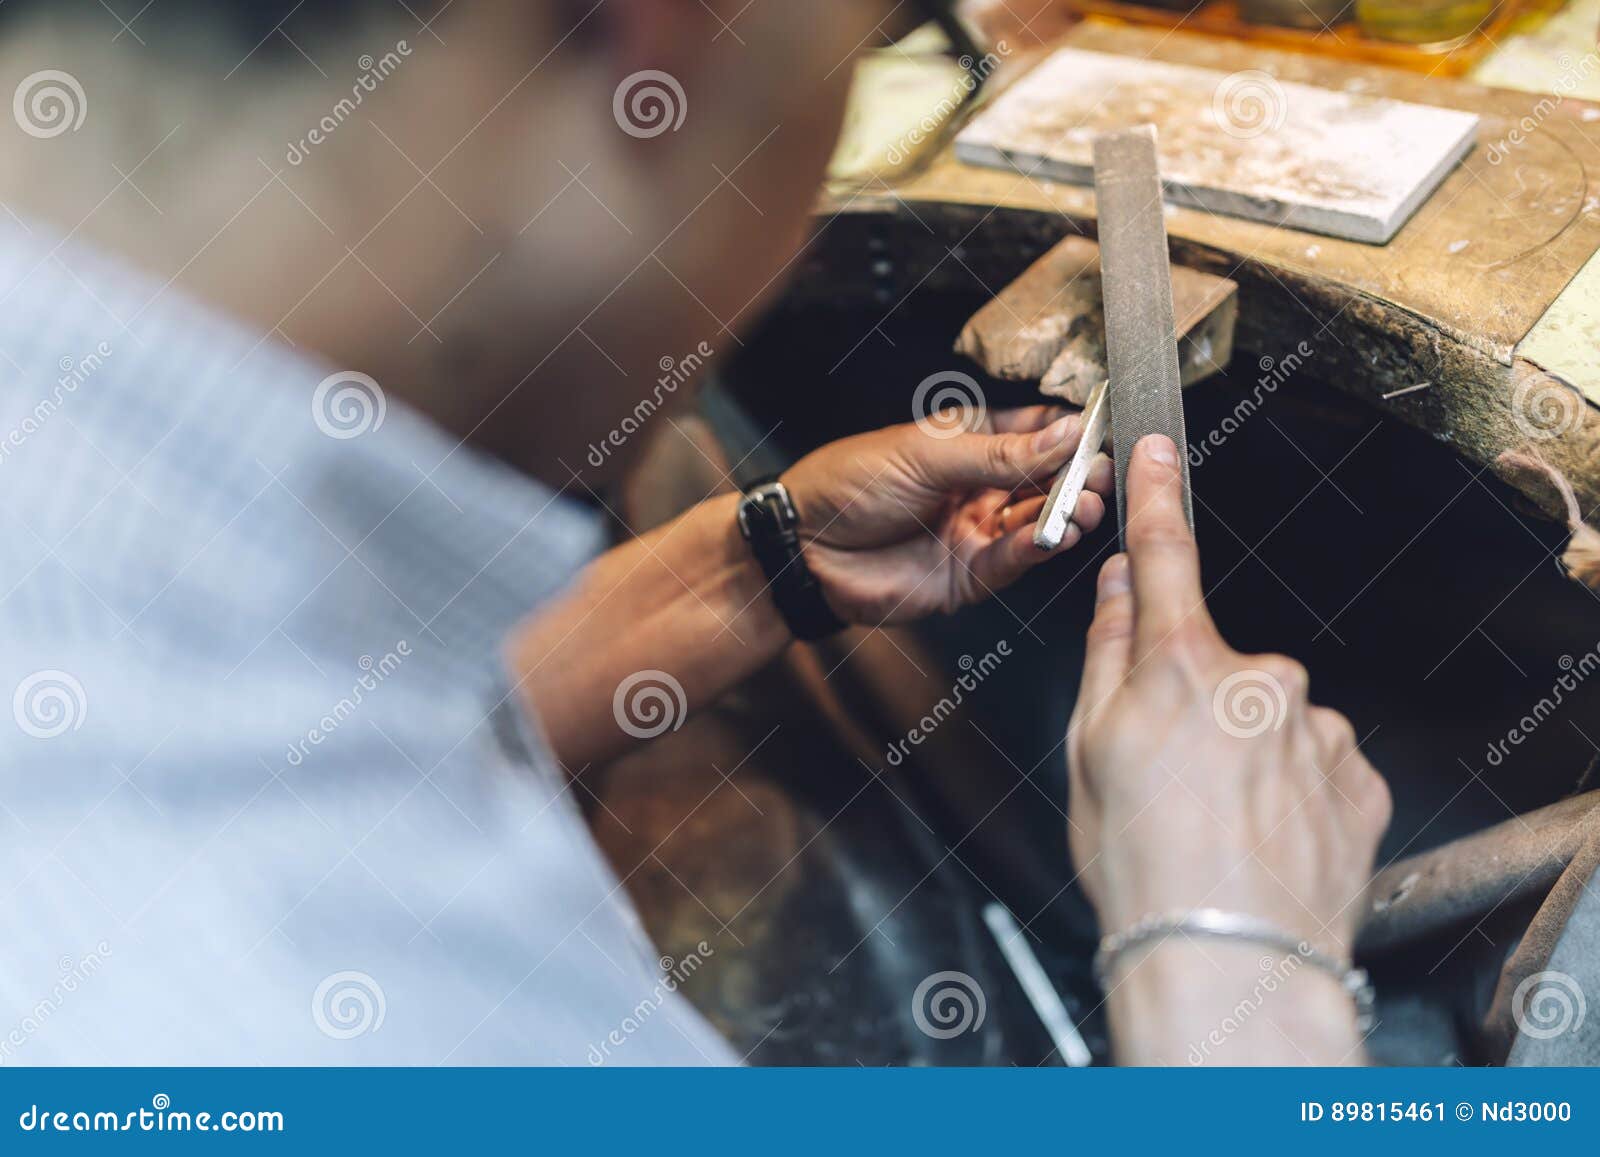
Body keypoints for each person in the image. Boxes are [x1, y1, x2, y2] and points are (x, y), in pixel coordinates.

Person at [0, 0, 1388, 1065]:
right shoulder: (349, 1016)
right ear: (661, 37)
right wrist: (1226, 967)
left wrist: (744, 568)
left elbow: (309, 730)